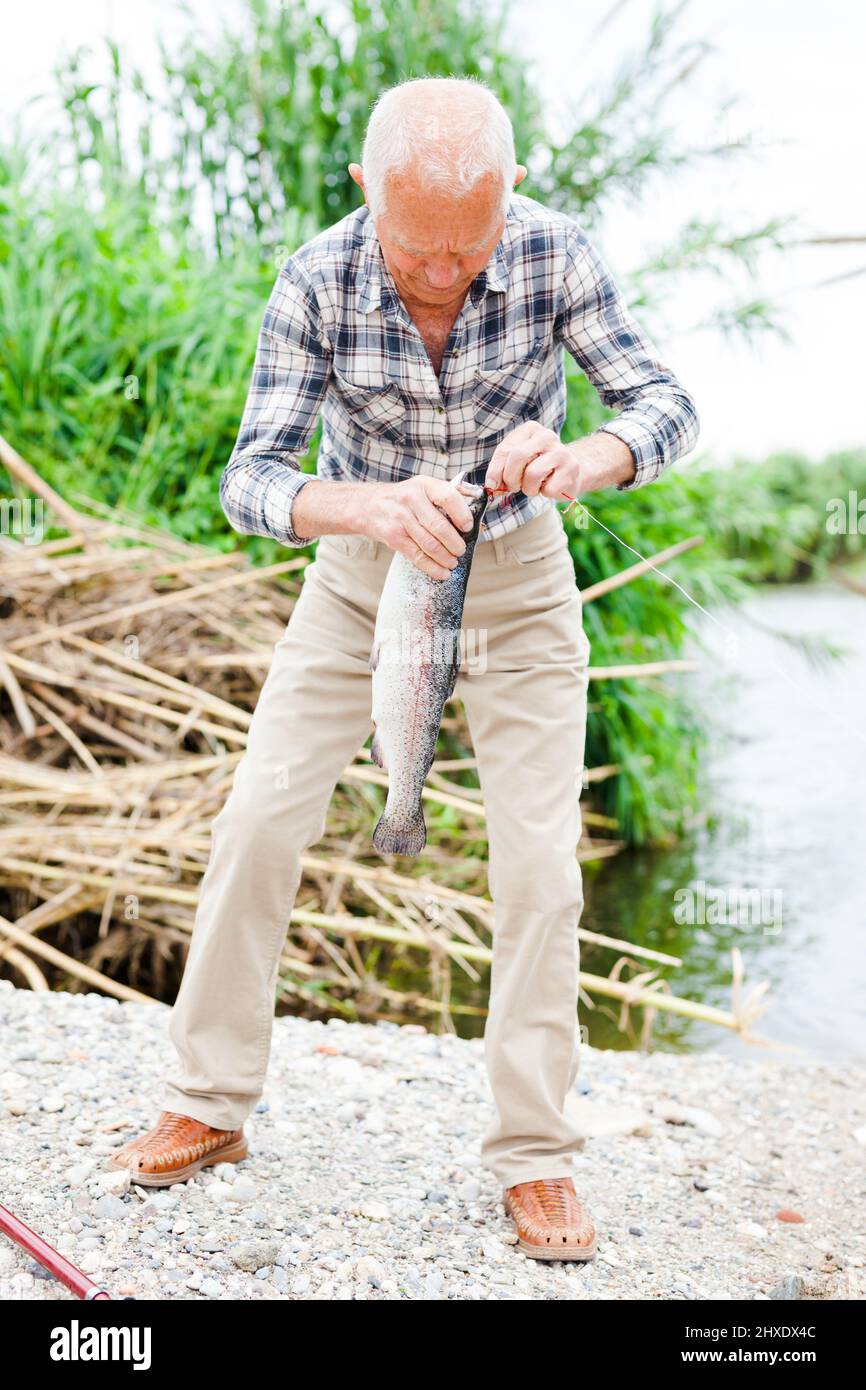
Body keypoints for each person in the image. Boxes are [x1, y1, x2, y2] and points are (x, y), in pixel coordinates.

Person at [108, 75, 699, 1261]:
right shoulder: (314, 275)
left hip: (523, 586)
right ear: (362, 191)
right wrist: (372, 510)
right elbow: (253, 479)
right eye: (415, 249)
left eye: (466, 251)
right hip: (359, 591)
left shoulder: (553, 253)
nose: (441, 276)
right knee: (258, 823)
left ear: (511, 196)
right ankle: (209, 1103)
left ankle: (534, 1159)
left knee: (539, 866)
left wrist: (583, 455)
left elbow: (664, 405)